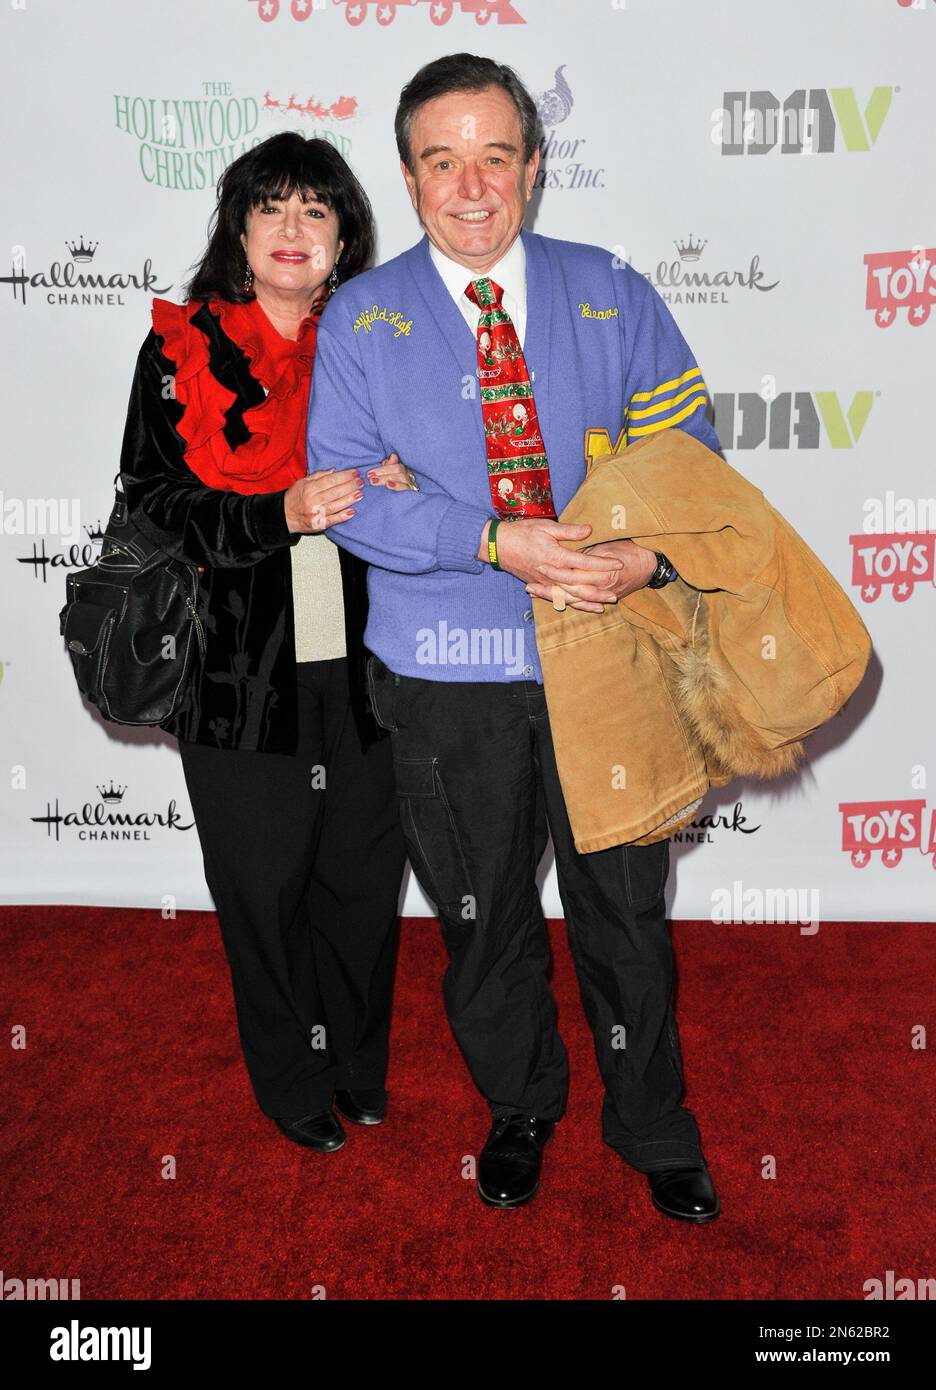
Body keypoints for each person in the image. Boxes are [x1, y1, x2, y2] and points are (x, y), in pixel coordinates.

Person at [306, 55, 722, 1219]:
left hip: (612, 655)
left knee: (624, 909)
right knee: (482, 914)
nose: (471, 184)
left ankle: (650, 1123)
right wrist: (492, 540)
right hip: (446, 677)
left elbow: (684, 455)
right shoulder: (362, 316)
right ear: (408, 175)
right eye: (443, 159)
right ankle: (523, 1102)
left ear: (535, 169)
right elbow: (344, 498)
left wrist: (647, 553)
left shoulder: (612, 290)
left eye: (497, 155)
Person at [119, 132, 411, 1154]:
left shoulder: (386, 340)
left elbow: (450, 468)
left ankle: (358, 1064)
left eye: (316, 211)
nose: (293, 229)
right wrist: (272, 515)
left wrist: (413, 480)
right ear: (239, 228)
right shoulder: (179, 348)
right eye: (272, 207)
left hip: (379, 667)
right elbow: (152, 502)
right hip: (237, 674)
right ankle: (291, 1074)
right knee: (263, 884)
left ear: (344, 237)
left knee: (364, 882)